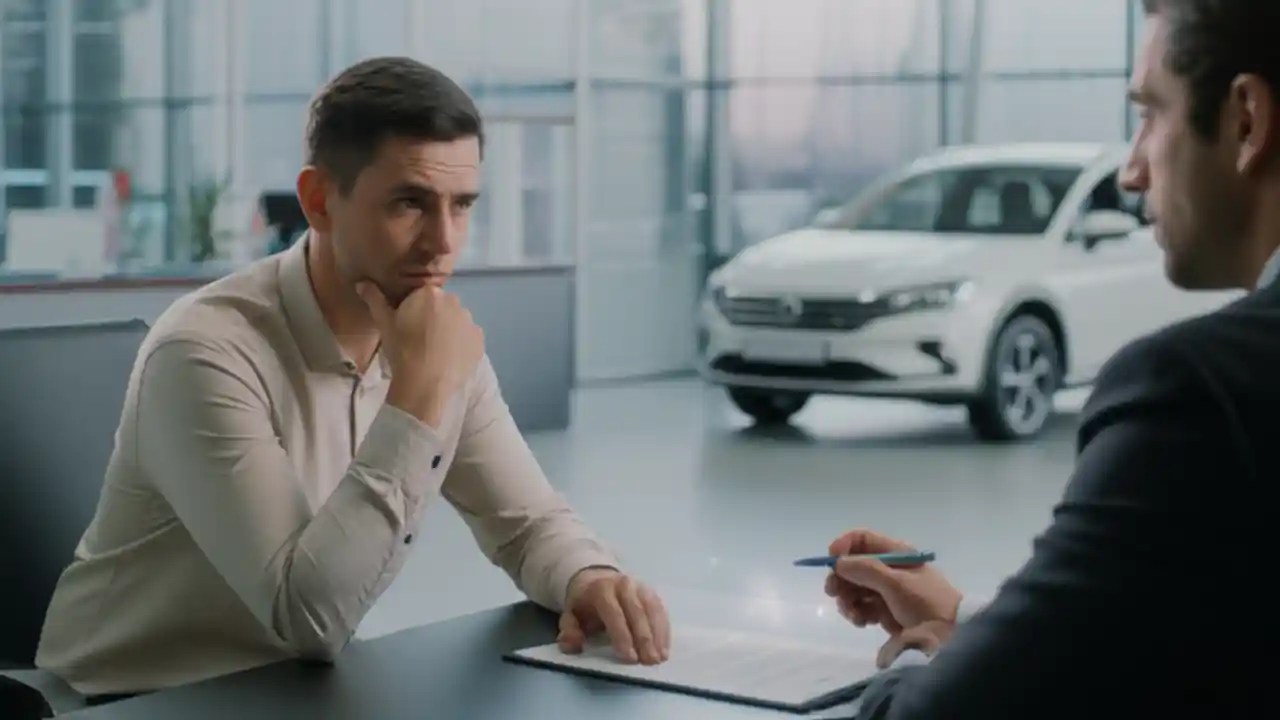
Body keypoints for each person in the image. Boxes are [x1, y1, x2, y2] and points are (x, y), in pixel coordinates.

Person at [34, 57, 670, 699]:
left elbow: (528, 524)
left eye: (462, 206)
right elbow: (305, 619)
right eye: (409, 203)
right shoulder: (205, 352)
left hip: (291, 694)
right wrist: (419, 397)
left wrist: (587, 576)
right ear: (318, 201)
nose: (443, 243)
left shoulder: (433, 342)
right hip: (129, 700)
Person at [825, 1, 1272, 716]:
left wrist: (915, 673)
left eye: (1150, 115)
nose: (1131, 172)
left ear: (1247, 120)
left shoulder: (1198, 393)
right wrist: (974, 627)